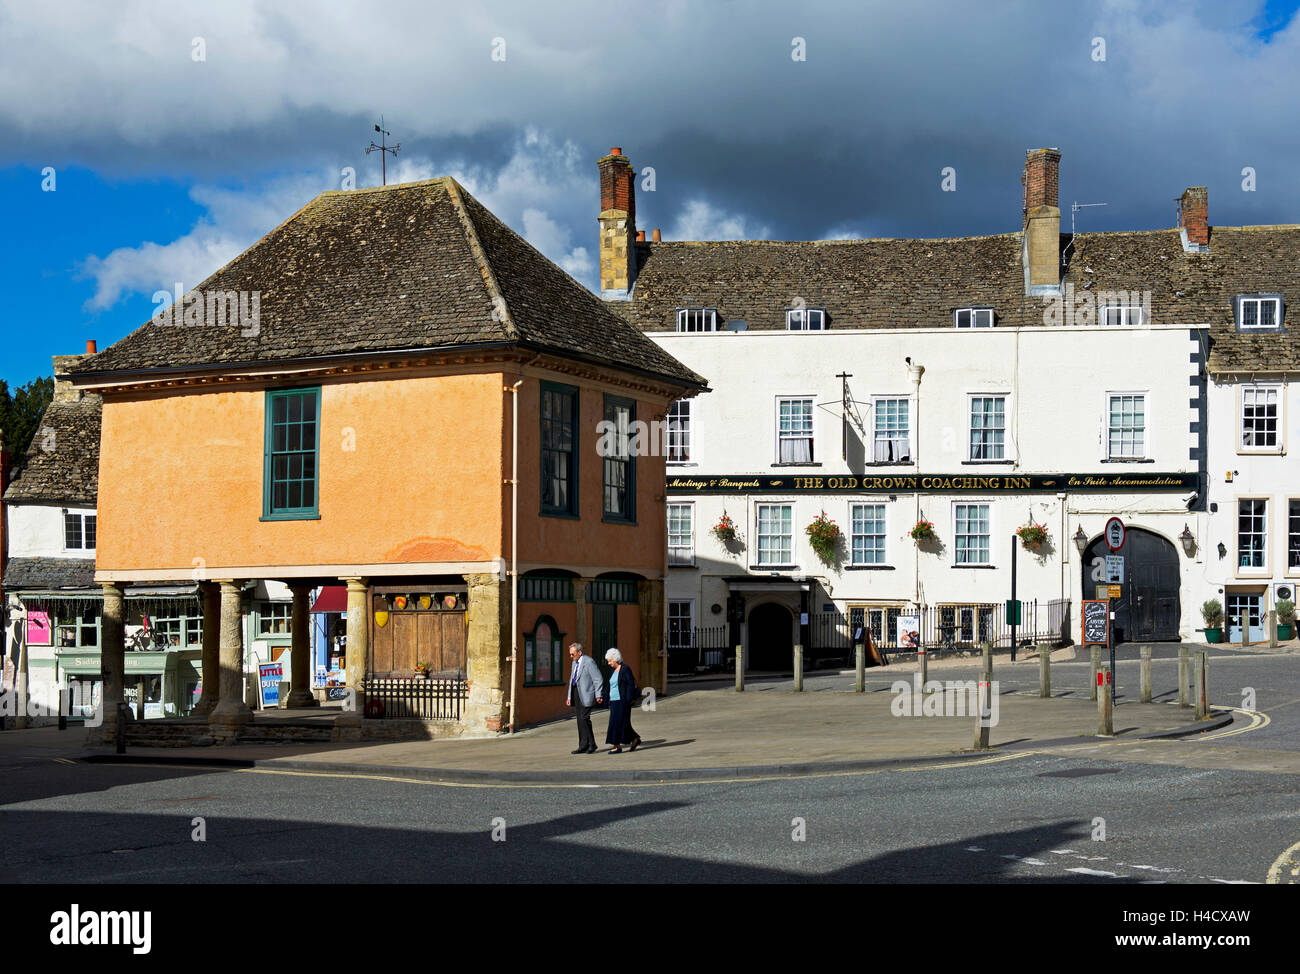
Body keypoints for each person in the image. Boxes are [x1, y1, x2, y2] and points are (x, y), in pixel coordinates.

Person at [566, 642, 602, 754]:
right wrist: (569, 696)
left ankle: (592, 744)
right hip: (576, 693)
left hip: (587, 694)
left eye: (572, 654)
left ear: (580, 652)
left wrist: (598, 694)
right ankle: (583, 745)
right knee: (580, 720)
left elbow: (598, 679)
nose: (571, 656)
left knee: (584, 717)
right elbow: (572, 680)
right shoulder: (574, 662)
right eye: (570, 654)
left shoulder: (589, 662)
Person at [603, 647, 641, 753]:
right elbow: (610, 686)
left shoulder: (625, 669)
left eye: (610, 661)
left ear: (615, 659)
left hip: (622, 701)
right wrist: (604, 697)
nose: (608, 663)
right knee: (622, 724)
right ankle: (635, 739)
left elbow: (630, 685)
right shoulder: (613, 671)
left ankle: (617, 746)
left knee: (618, 724)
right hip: (614, 701)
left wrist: (627, 700)